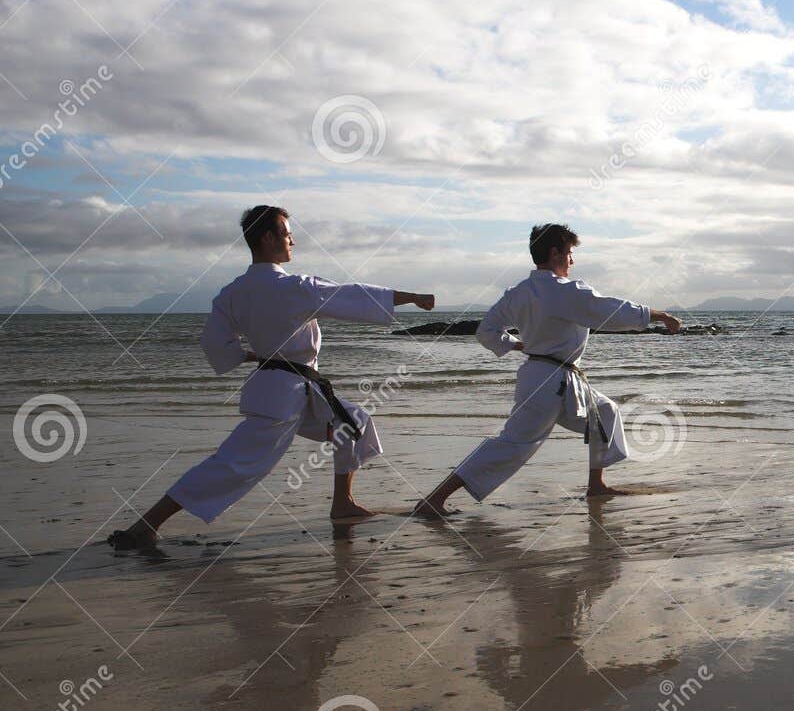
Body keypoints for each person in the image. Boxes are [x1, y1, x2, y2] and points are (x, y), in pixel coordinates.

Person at [107, 205, 435, 548]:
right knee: (234, 465)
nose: (292, 239)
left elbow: (214, 343)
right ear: (268, 237)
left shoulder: (232, 292)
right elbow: (351, 294)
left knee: (352, 423)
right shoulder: (295, 286)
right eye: (286, 232)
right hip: (281, 398)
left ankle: (342, 504)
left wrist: (251, 354)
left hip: (291, 389)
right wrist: (411, 297)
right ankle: (147, 524)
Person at [413, 223, 680, 519]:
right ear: (555, 253)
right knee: (513, 445)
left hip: (550, 377)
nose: (572, 260)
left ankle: (597, 485)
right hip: (549, 383)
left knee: (605, 412)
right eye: (569, 253)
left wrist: (517, 345)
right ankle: (434, 500)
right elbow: (612, 310)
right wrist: (660, 315)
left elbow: (485, 332)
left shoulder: (518, 292)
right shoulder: (565, 291)